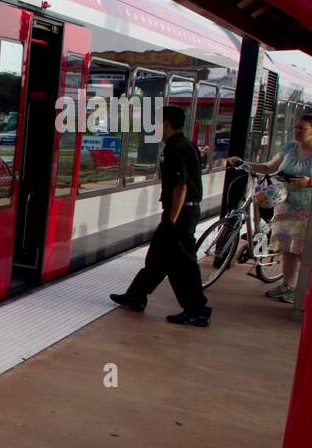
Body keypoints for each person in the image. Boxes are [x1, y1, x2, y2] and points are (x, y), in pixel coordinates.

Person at [110, 105, 211, 326]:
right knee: (157, 258)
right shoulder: (186, 145)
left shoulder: (176, 148)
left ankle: (197, 310)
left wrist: (172, 219)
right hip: (182, 212)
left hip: (180, 215)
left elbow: (180, 187)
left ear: (166, 123)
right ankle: (135, 296)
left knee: (183, 265)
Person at [226, 113, 312, 303]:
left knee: (304, 251)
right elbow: (268, 167)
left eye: (302, 128)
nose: (297, 131)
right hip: (286, 204)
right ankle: (287, 285)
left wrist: (309, 182)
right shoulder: (290, 147)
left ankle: (302, 291)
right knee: (289, 248)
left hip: (308, 209)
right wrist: (245, 163)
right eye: (296, 127)